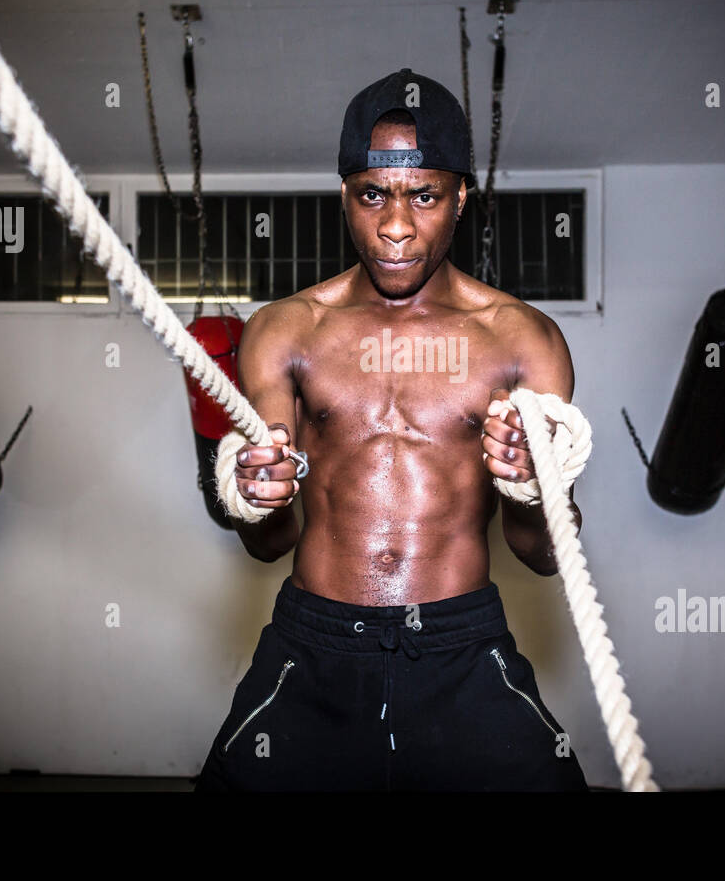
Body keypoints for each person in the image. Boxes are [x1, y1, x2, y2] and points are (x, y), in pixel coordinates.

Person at [196, 68, 588, 791]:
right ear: (344, 194)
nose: (396, 226)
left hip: (461, 649)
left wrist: (533, 489)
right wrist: (257, 495)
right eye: (372, 194)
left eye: (425, 196)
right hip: (311, 650)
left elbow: (542, 554)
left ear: (461, 195)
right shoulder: (284, 332)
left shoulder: (523, 341)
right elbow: (266, 544)